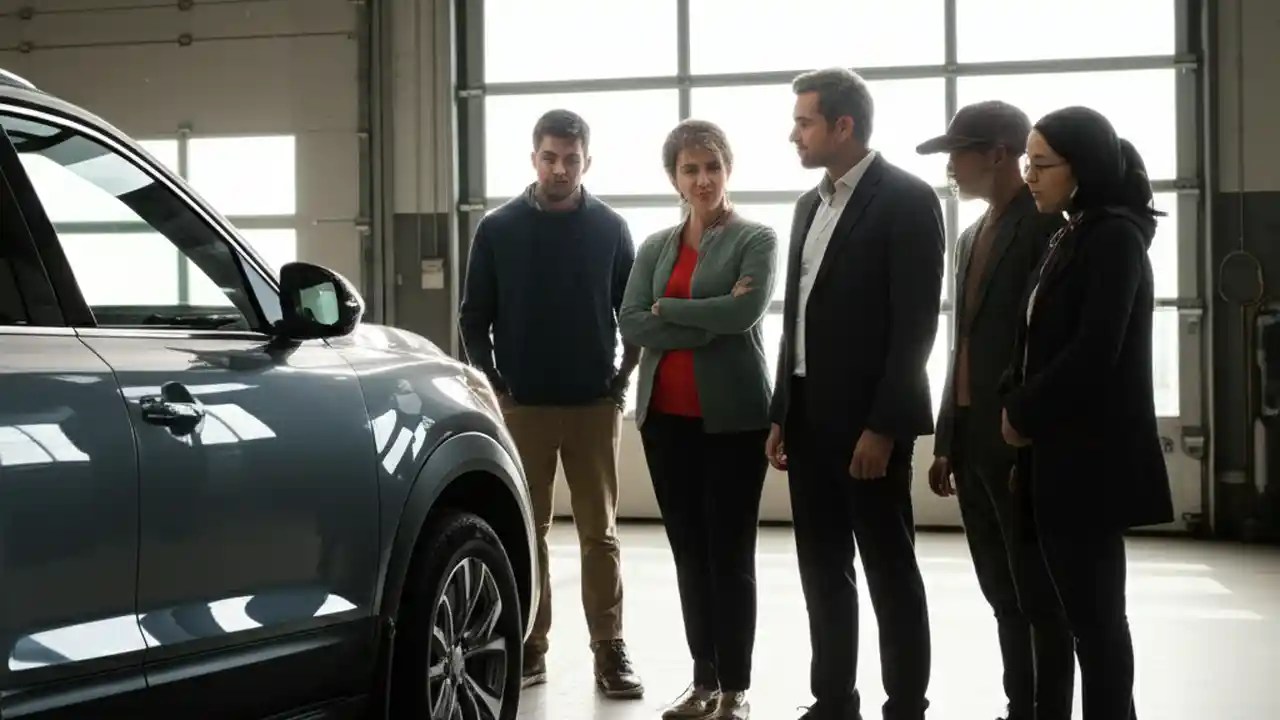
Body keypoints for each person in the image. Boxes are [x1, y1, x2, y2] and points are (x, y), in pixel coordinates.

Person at [767, 67, 943, 720]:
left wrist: (885, 427)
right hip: (808, 422)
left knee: (889, 573)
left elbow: (915, 327)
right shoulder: (808, 206)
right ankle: (834, 700)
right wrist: (782, 410)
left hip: (869, 427)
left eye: (804, 121)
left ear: (844, 126)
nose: (793, 134)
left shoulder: (907, 199)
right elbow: (798, 319)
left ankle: (906, 707)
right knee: (823, 573)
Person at [457, 108, 644, 699]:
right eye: (549, 157)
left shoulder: (611, 229)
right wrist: (497, 389)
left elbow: (632, 315)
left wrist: (620, 384)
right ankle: (531, 645)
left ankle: (609, 652)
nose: (559, 168)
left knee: (601, 535)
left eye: (571, 158)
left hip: (593, 406)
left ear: (587, 161)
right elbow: (472, 317)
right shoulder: (498, 228)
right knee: (528, 530)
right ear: (533, 157)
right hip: (523, 410)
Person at [1001, 105, 1175, 720]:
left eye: (1042, 164)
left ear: (1085, 167)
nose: (1030, 176)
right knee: (1075, 617)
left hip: (1088, 459)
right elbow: (1037, 338)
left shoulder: (1114, 236)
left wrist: (1022, 409)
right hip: (1057, 454)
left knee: (1097, 624)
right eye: (1027, 162)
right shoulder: (1071, 232)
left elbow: (1096, 349)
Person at [915, 101, 1075, 720]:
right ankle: (1021, 705)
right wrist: (947, 436)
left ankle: (1047, 709)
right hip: (973, 436)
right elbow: (964, 344)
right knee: (1001, 590)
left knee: (1038, 592)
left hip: (1020, 437)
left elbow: (1044, 342)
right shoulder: (971, 235)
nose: (951, 167)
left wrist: (1027, 431)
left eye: (958, 153)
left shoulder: (1047, 228)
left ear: (997, 154)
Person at [619, 119, 777, 720]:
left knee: (729, 555)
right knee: (689, 554)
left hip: (733, 423)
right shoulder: (656, 246)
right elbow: (631, 320)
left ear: (727, 169)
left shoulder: (756, 238)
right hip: (666, 421)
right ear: (674, 178)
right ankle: (703, 681)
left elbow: (744, 314)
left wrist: (674, 310)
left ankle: (736, 689)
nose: (703, 179)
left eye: (712, 167)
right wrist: (704, 316)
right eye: (690, 169)